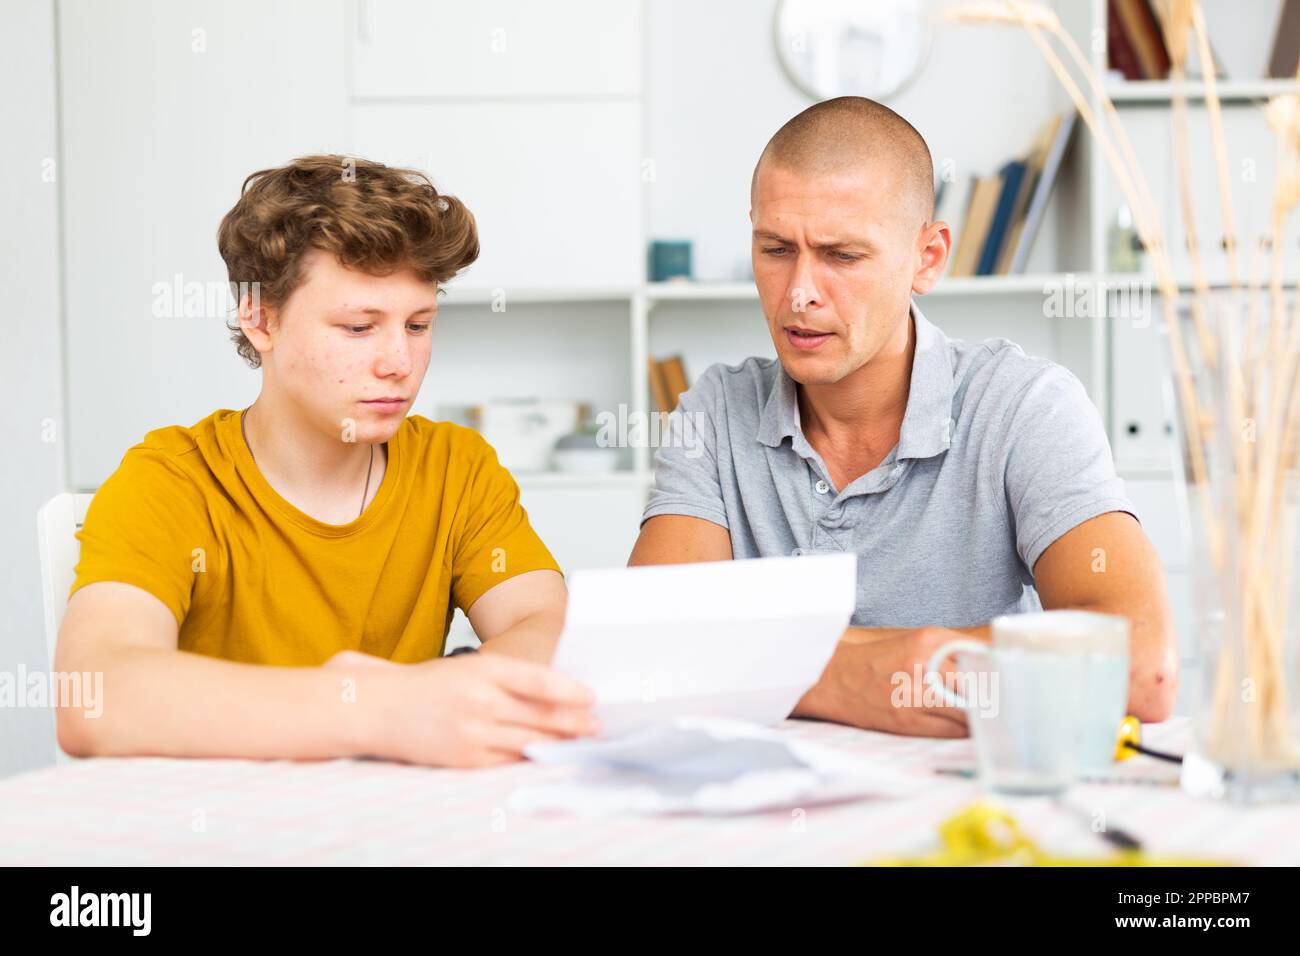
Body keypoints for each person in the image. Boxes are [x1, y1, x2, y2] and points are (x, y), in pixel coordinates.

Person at [629, 97, 1177, 737]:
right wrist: (854, 675)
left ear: (928, 258)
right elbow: (648, 653)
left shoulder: (1025, 407)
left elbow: (1141, 666)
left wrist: (765, 665)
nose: (799, 292)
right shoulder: (716, 414)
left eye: (842, 256)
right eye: (776, 248)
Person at [56, 155, 597, 766]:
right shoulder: (171, 479)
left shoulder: (457, 466)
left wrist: (445, 701)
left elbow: (546, 626)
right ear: (260, 318)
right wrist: (384, 711)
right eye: (359, 327)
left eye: (418, 325)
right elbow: (94, 698)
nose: (400, 361)